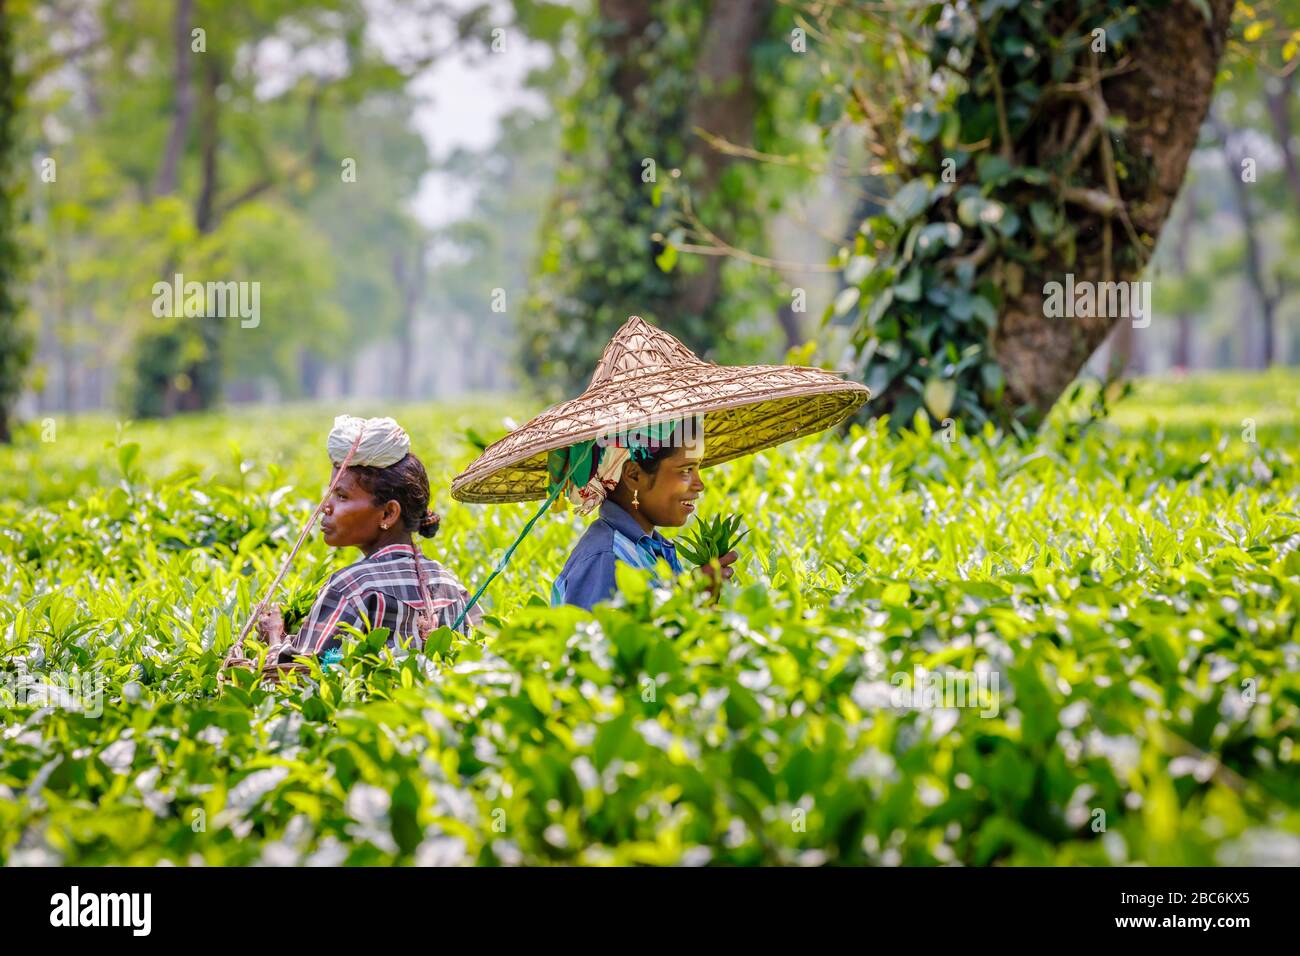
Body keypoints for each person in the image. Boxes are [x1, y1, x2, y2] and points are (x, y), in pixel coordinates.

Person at [254, 417, 481, 663]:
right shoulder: (451, 584)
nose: (324, 507)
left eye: (341, 496)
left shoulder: (351, 587)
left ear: (388, 513)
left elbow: (294, 676)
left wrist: (274, 637)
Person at [550, 416, 737, 610]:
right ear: (634, 475)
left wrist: (699, 599)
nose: (700, 485)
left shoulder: (650, 547)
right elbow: (594, 639)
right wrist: (693, 599)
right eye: (686, 470)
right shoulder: (605, 558)